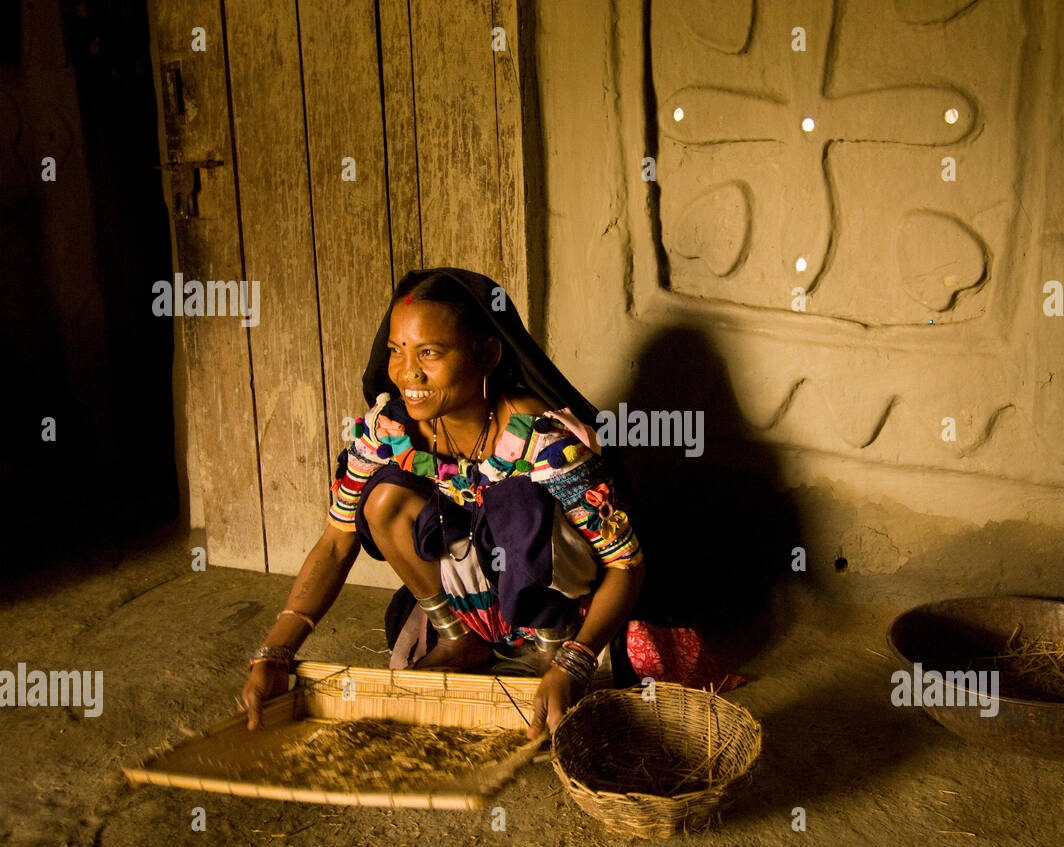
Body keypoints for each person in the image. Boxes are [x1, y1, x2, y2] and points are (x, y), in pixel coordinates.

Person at [240, 268, 738, 740]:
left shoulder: (542, 440)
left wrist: (575, 660)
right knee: (384, 497)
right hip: (477, 603)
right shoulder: (388, 431)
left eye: (430, 352)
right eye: (396, 350)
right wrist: (275, 653)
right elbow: (335, 542)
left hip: (564, 605)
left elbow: (626, 565)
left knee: (517, 500)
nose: (406, 372)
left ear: (489, 355)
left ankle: (548, 654)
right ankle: (460, 638)